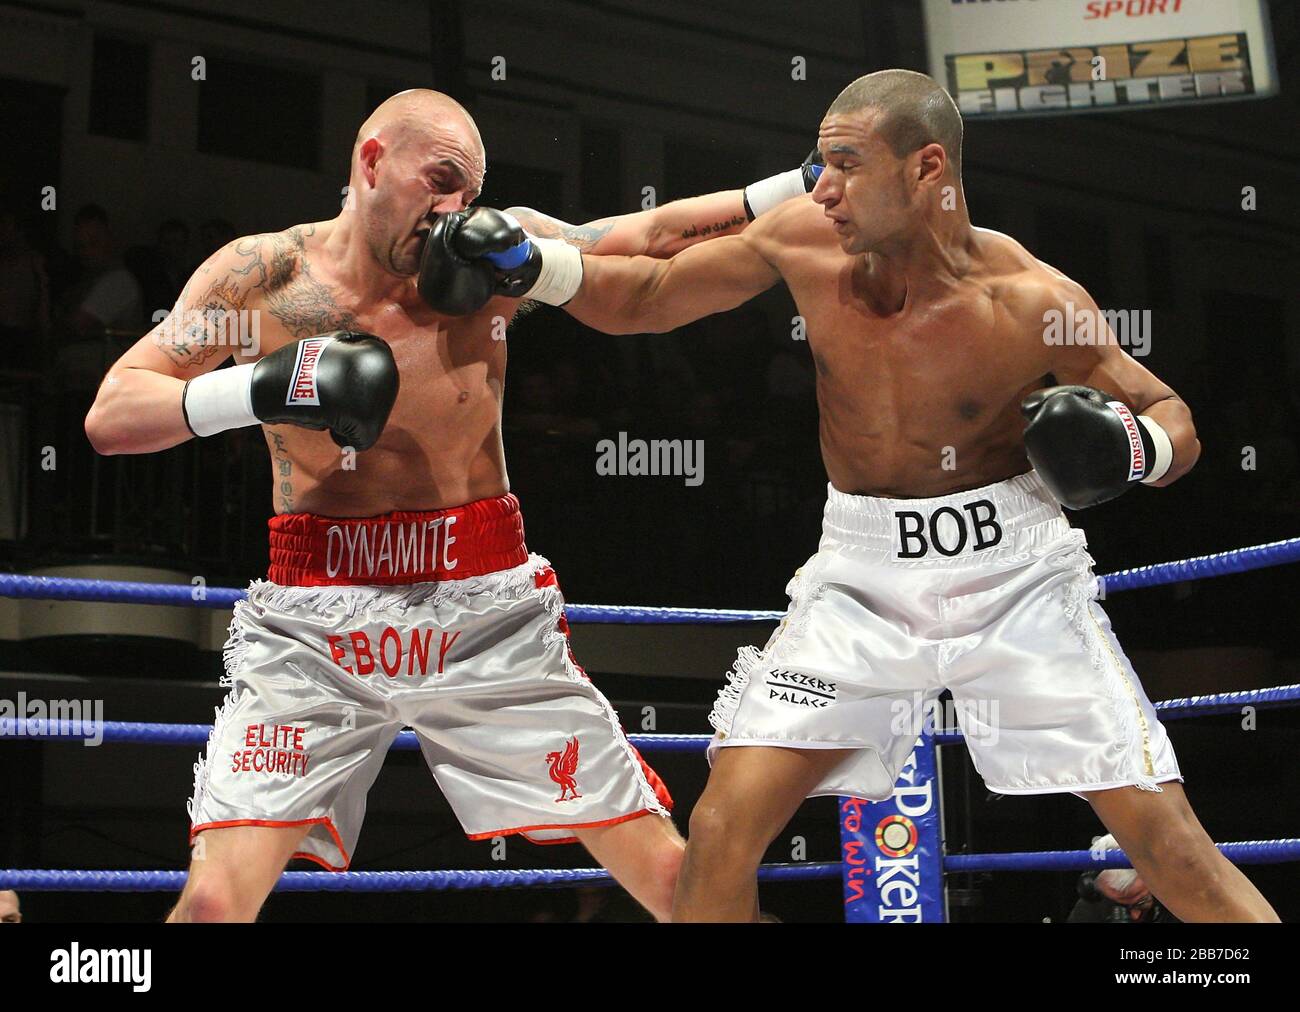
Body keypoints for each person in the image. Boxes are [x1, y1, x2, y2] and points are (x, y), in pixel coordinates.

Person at [443, 70, 1277, 922]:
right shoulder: (806, 238)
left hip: (1016, 582)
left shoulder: (1032, 302)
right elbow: (650, 298)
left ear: (926, 169)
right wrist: (530, 265)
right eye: (820, 162)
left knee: (1169, 846)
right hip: (862, 579)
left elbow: (1175, 421)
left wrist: (1136, 448)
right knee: (723, 825)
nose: (823, 186)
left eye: (846, 164)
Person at [84, 89, 809, 923]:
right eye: (440, 180)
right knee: (214, 900)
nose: (454, 209)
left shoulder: (489, 259)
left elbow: (646, 239)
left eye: (468, 190)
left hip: (483, 607)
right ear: (370, 160)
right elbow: (112, 415)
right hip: (316, 616)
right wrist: (257, 388)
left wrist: (797, 183)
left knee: (671, 876)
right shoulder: (263, 276)